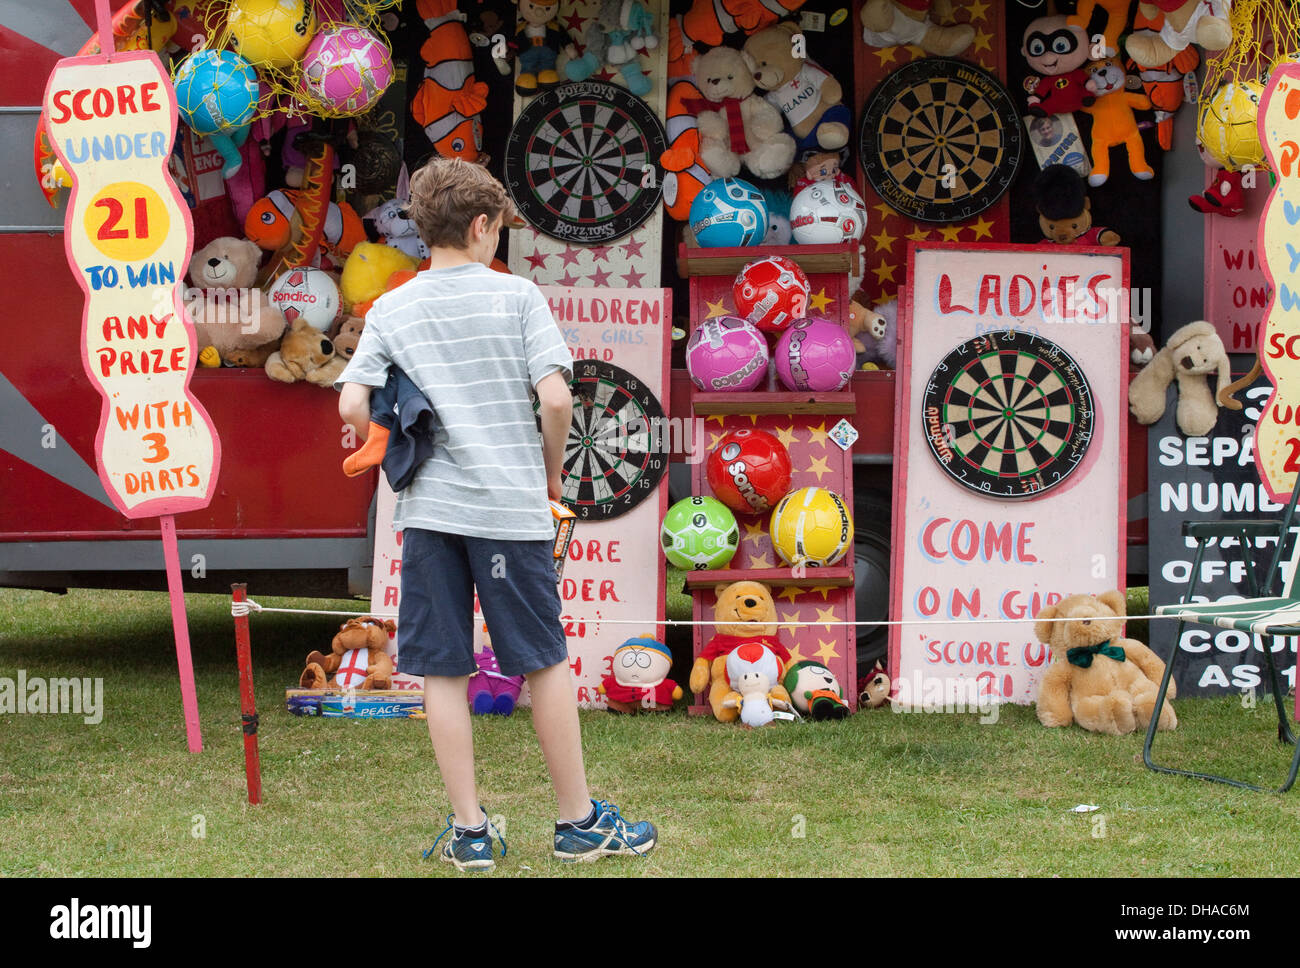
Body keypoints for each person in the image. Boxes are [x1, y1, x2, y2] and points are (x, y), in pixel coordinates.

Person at [336, 157, 657, 872]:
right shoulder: (518, 299)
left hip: (429, 516)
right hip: (510, 513)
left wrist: (384, 432)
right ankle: (577, 823)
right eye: (498, 231)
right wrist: (547, 474)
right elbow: (556, 400)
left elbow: (352, 405)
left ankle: (471, 832)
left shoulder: (391, 308)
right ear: (481, 226)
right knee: (543, 663)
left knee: (442, 671)